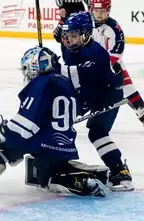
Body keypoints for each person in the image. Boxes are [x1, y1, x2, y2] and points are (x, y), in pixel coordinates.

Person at [0, 46, 110, 197]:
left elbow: (26, 126)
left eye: (26, 69)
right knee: (47, 177)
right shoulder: (64, 81)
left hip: (41, 141)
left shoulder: (41, 83)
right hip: (64, 144)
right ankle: (82, 179)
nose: (26, 73)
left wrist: (3, 135)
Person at [60, 11, 134, 191]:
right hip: (91, 94)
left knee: (97, 131)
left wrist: (49, 66)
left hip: (108, 95)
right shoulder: (73, 48)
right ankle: (56, 160)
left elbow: (76, 75)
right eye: (66, 35)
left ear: (86, 35)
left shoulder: (96, 53)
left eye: (74, 35)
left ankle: (120, 172)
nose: (69, 40)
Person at [91, 0, 144, 126]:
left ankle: (141, 111)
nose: (99, 14)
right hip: (89, 65)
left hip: (110, 66)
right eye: (96, 11)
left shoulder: (114, 28)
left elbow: (115, 55)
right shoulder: (86, 23)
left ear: (108, 10)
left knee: (127, 87)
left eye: (102, 11)